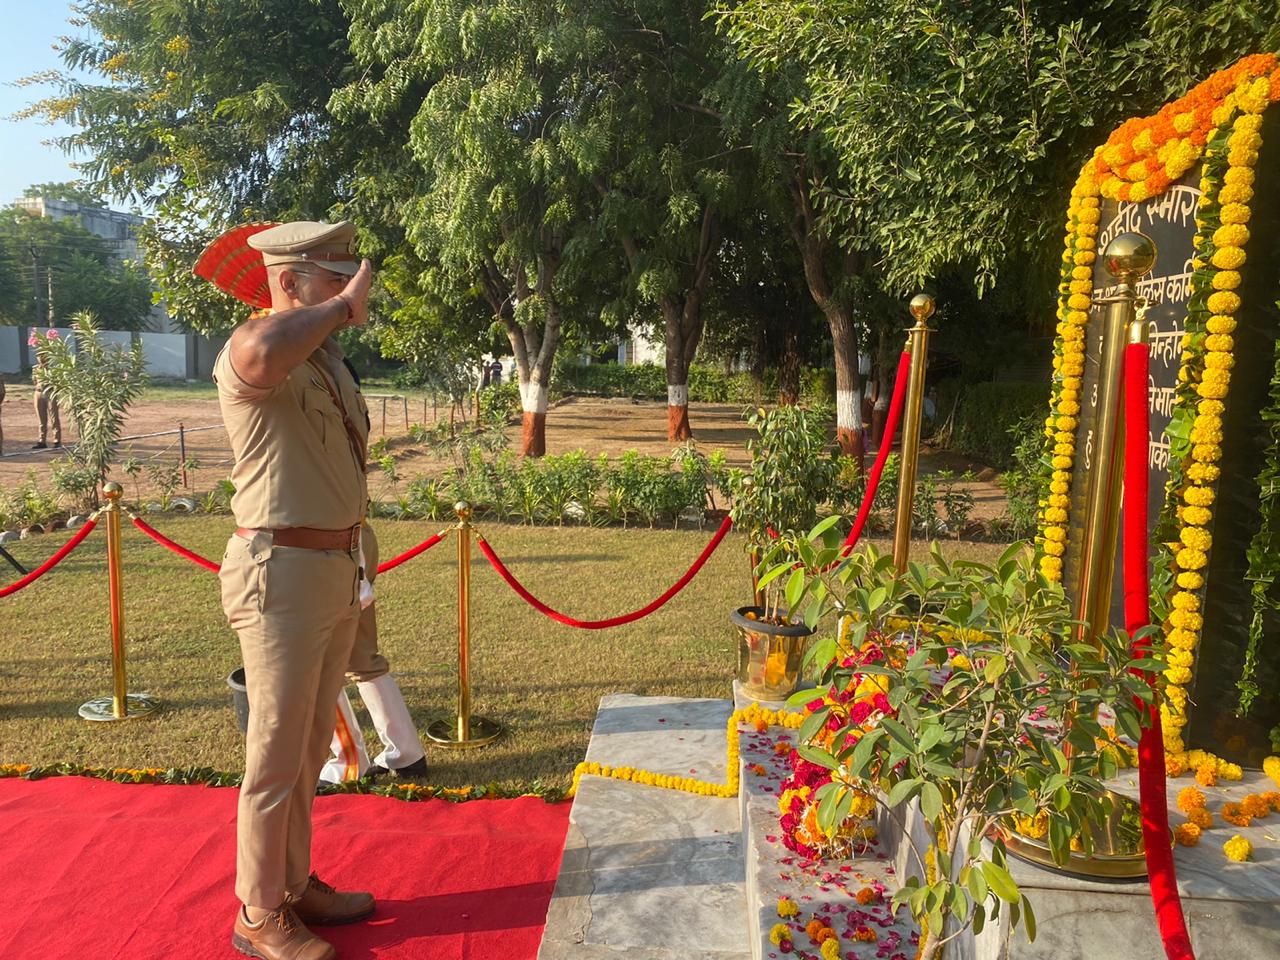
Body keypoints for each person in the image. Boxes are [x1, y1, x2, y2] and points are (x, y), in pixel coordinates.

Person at [208, 220, 377, 960]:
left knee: (311, 747)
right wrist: (341, 309)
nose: (347, 295)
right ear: (291, 281)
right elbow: (263, 351)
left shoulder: (324, 360)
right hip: (279, 575)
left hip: (333, 571)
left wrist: (333, 317)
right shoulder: (255, 346)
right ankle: (255, 912)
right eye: (332, 280)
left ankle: (293, 882)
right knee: (274, 756)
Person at [31, 355, 61, 449]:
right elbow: (35, 381)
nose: (41, 358)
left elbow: (58, 382)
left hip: (50, 393)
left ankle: (57, 440)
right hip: (38, 393)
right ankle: (42, 441)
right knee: (41, 419)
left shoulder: (53, 369)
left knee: (54, 417)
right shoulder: (36, 369)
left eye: (43, 356)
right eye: (39, 356)